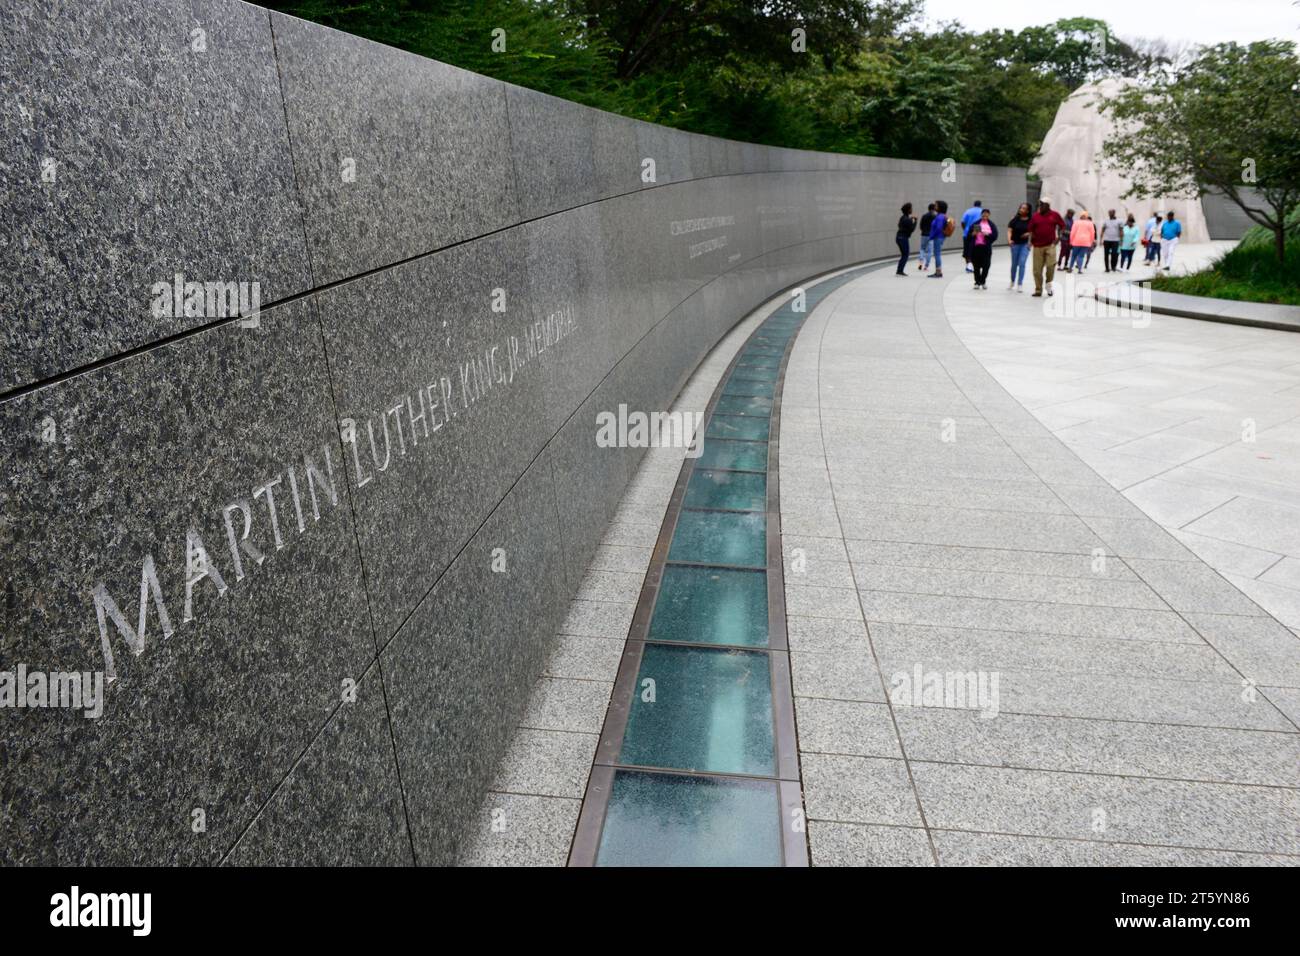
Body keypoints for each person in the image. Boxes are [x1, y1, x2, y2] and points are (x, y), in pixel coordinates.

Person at [1028, 198, 1065, 297]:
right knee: (1037, 270)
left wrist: (1059, 237)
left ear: (1048, 205)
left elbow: (1062, 226)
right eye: (1040, 204)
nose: (1040, 206)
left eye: (1042, 204)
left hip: (1050, 245)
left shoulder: (1055, 215)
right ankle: (1038, 290)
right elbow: (1030, 230)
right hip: (1037, 246)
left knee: (1050, 266)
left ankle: (1048, 286)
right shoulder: (1035, 216)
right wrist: (1029, 242)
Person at [967, 208, 998, 289]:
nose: (985, 216)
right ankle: (977, 282)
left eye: (986, 214)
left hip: (986, 248)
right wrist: (973, 234)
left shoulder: (991, 224)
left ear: (989, 215)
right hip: (976, 247)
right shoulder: (976, 224)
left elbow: (995, 235)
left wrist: (988, 235)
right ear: (981, 215)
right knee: (976, 266)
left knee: (986, 266)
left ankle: (983, 281)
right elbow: (968, 236)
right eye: (983, 214)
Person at [1006, 202, 1032, 292]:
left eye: (1024, 208)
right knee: (1014, 264)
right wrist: (1009, 240)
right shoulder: (1014, 219)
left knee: (1022, 263)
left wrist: (1029, 238)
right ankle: (1012, 281)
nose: (1021, 209)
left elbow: (1034, 231)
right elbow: (1009, 230)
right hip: (1015, 244)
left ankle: (1020, 284)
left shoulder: (1031, 220)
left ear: (1028, 211)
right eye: (1021, 208)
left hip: (1025, 244)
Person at [927, 200, 950, 278]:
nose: (935, 207)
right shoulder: (941, 215)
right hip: (939, 237)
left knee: (937, 254)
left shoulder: (940, 216)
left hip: (938, 237)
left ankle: (938, 272)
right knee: (937, 254)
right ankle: (938, 272)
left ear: (940, 207)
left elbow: (938, 228)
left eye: (936, 205)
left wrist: (931, 236)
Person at [960, 200, 983, 272]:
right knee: (977, 249)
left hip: (967, 233)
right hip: (978, 233)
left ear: (974, 204)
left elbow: (963, 222)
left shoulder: (968, 211)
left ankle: (968, 265)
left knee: (967, 250)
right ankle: (976, 265)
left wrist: (965, 229)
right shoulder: (982, 211)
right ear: (980, 205)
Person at [895, 202, 917, 276]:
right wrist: (915, 221)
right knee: (905, 254)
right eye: (911, 208)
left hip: (900, 237)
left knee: (904, 254)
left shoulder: (903, 217)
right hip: (903, 238)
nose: (912, 209)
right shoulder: (907, 219)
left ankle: (899, 270)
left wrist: (911, 220)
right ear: (908, 210)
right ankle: (899, 271)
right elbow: (912, 229)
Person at [918, 202, 937, 271]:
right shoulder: (935, 216)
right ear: (934, 208)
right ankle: (926, 266)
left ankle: (920, 262)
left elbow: (921, 226)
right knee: (929, 251)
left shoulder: (924, 216)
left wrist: (923, 230)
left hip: (924, 234)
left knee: (922, 248)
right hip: (931, 235)